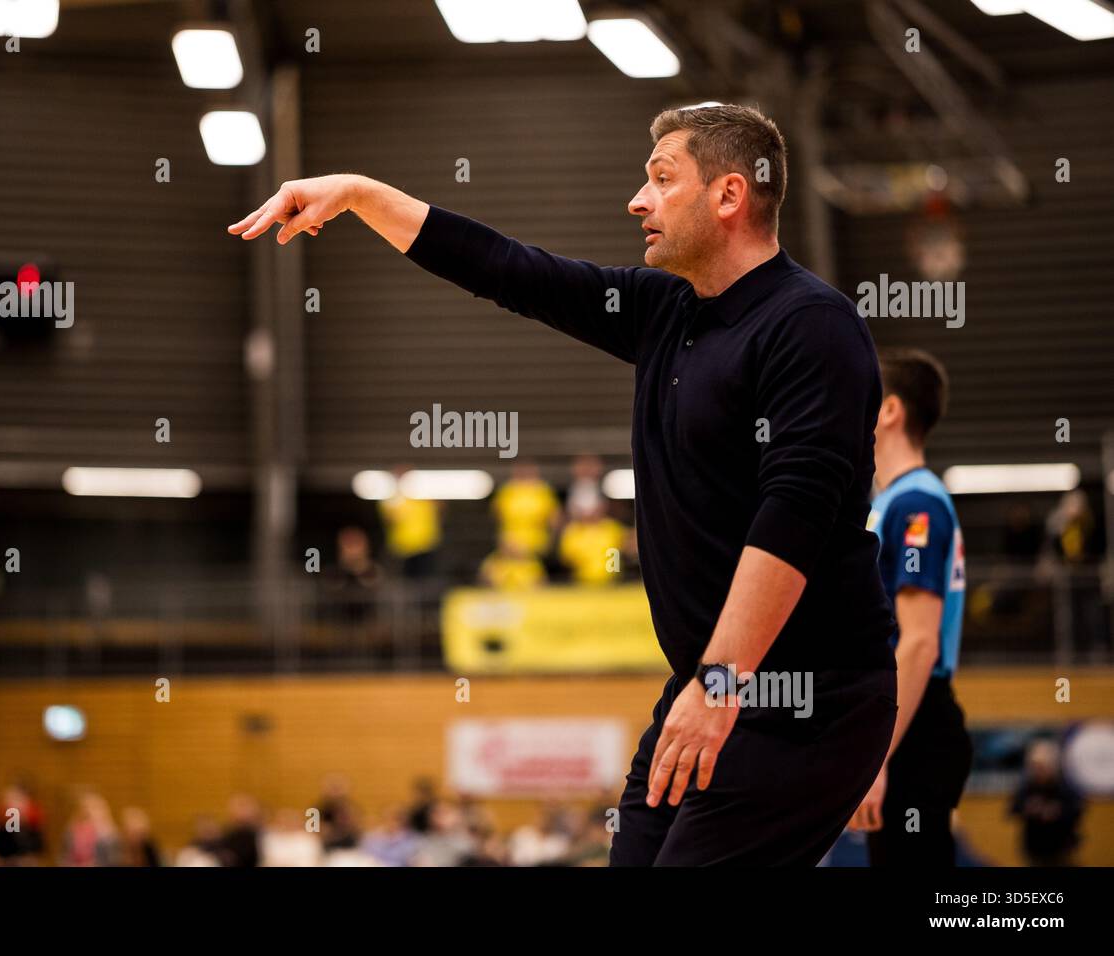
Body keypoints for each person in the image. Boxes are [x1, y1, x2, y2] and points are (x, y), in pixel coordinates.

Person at [229, 102, 897, 865]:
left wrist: (718, 685)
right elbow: (512, 270)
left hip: (808, 701)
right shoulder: (664, 310)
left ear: (729, 195)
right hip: (713, 685)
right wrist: (359, 193)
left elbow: (796, 516)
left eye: (660, 179)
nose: (636, 200)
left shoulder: (811, 324)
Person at [847, 349, 972, 866]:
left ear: (891, 411)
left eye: (864, 398)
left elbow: (920, 641)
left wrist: (880, 753)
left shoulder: (916, 503)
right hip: (902, 715)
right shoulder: (891, 502)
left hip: (914, 719)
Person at [1009, 738, 1084, 866]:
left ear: (1051, 767)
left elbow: (1077, 810)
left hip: (1060, 847)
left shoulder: (1064, 786)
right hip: (1034, 847)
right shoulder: (1027, 787)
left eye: (1041, 767)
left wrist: (1057, 812)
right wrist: (1029, 808)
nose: (1037, 771)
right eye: (1034, 767)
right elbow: (1013, 809)